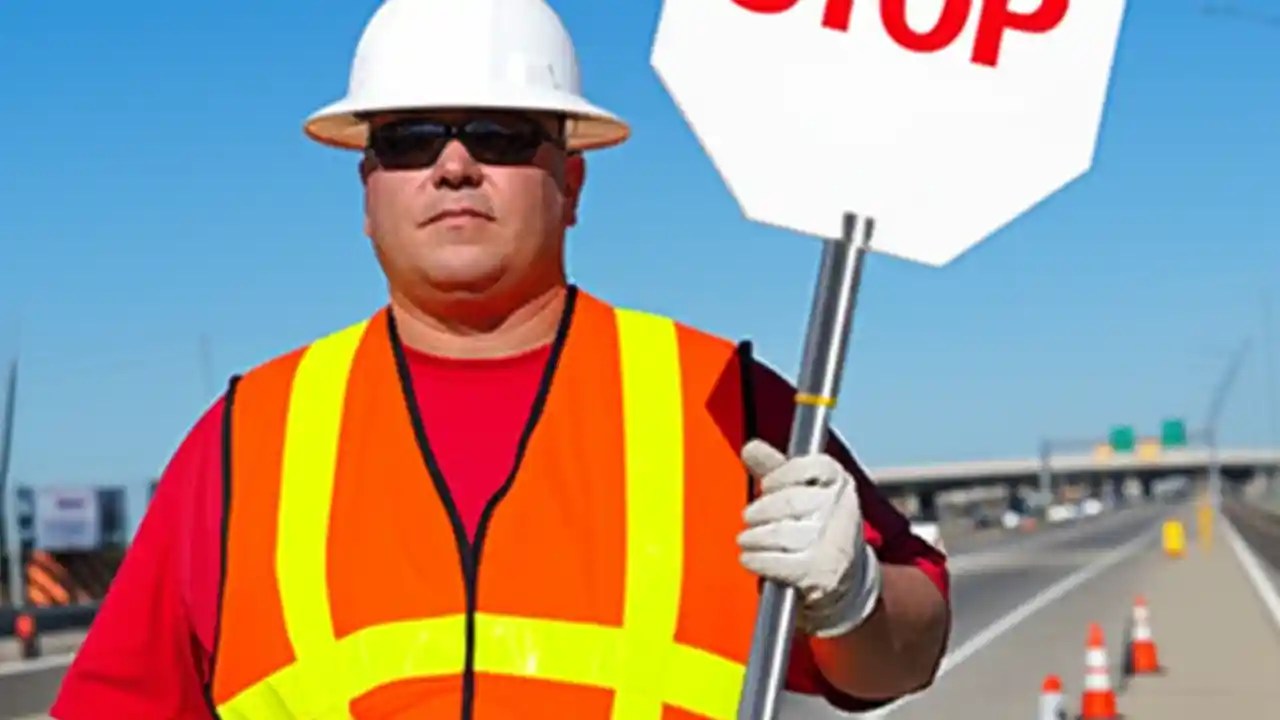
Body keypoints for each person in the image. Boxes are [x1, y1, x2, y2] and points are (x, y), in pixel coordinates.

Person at [51, 0, 950, 717]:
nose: (452, 166)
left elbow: (907, 650)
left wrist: (854, 600)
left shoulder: (721, 402)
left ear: (570, 183)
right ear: (367, 193)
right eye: (408, 139)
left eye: (500, 134)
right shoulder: (246, 440)